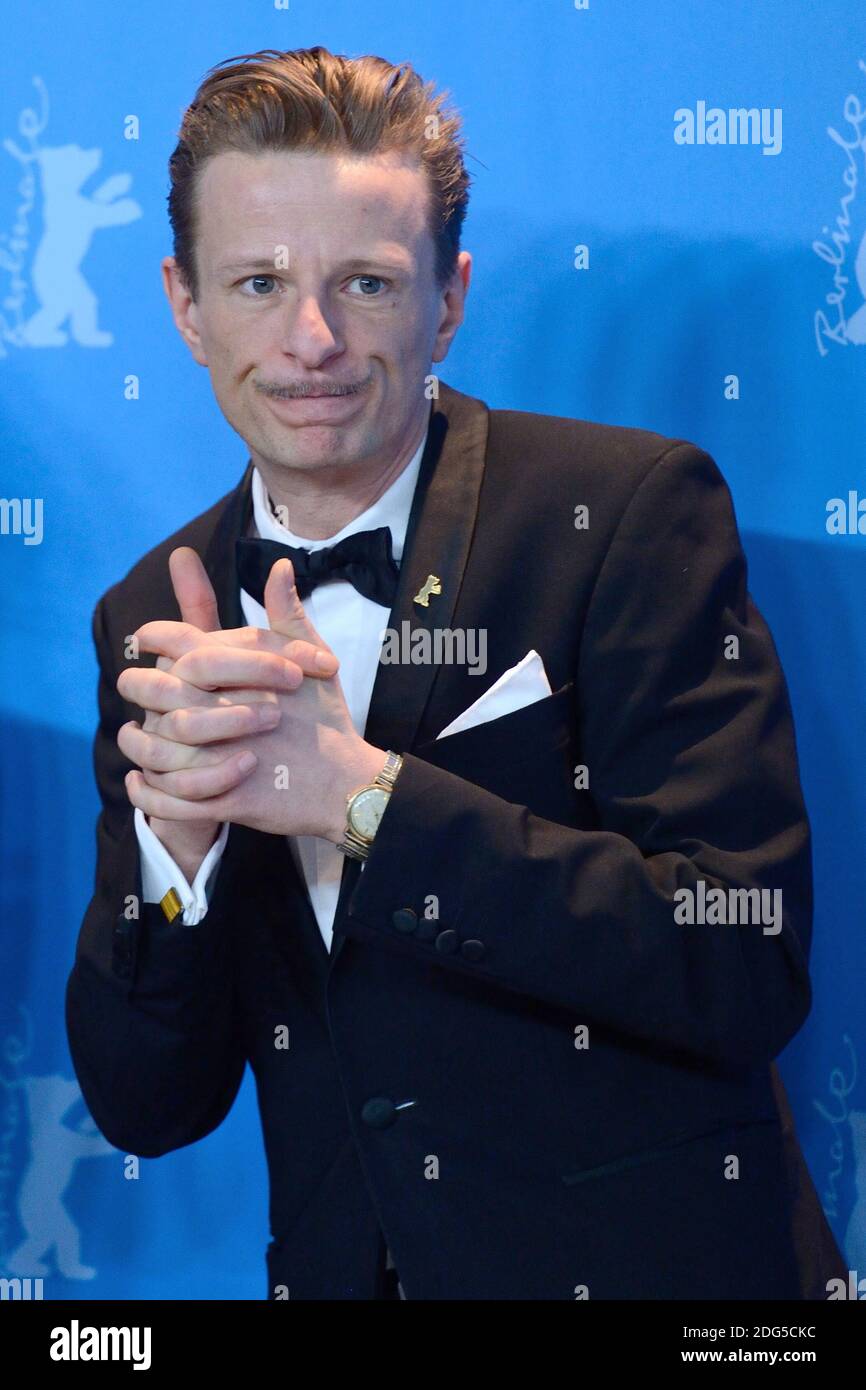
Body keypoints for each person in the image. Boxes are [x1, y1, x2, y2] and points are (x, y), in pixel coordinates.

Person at [66, 44, 845, 1300]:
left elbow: (739, 955)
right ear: (184, 303)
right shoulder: (154, 613)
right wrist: (179, 856)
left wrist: (364, 799)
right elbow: (145, 1103)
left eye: (364, 284)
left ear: (448, 298)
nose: (309, 340)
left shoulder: (625, 511)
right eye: (258, 282)